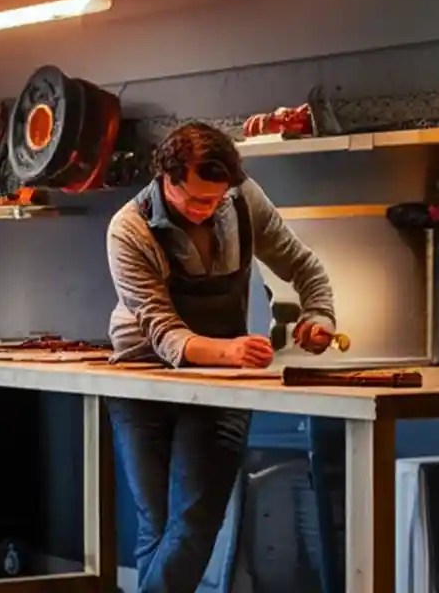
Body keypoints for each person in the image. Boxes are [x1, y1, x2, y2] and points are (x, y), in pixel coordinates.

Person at [104, 121, 336, 592]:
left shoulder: (243, 201)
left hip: (220, 383)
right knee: (158, 525)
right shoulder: (129, 229)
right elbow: (166, 336)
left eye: (214, 200)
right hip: (141, 375)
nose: (204, 210)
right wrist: (230, 349)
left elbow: (304, 265)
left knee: (192, 524)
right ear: (165, 176)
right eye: (192, 199)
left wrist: (320, 316)